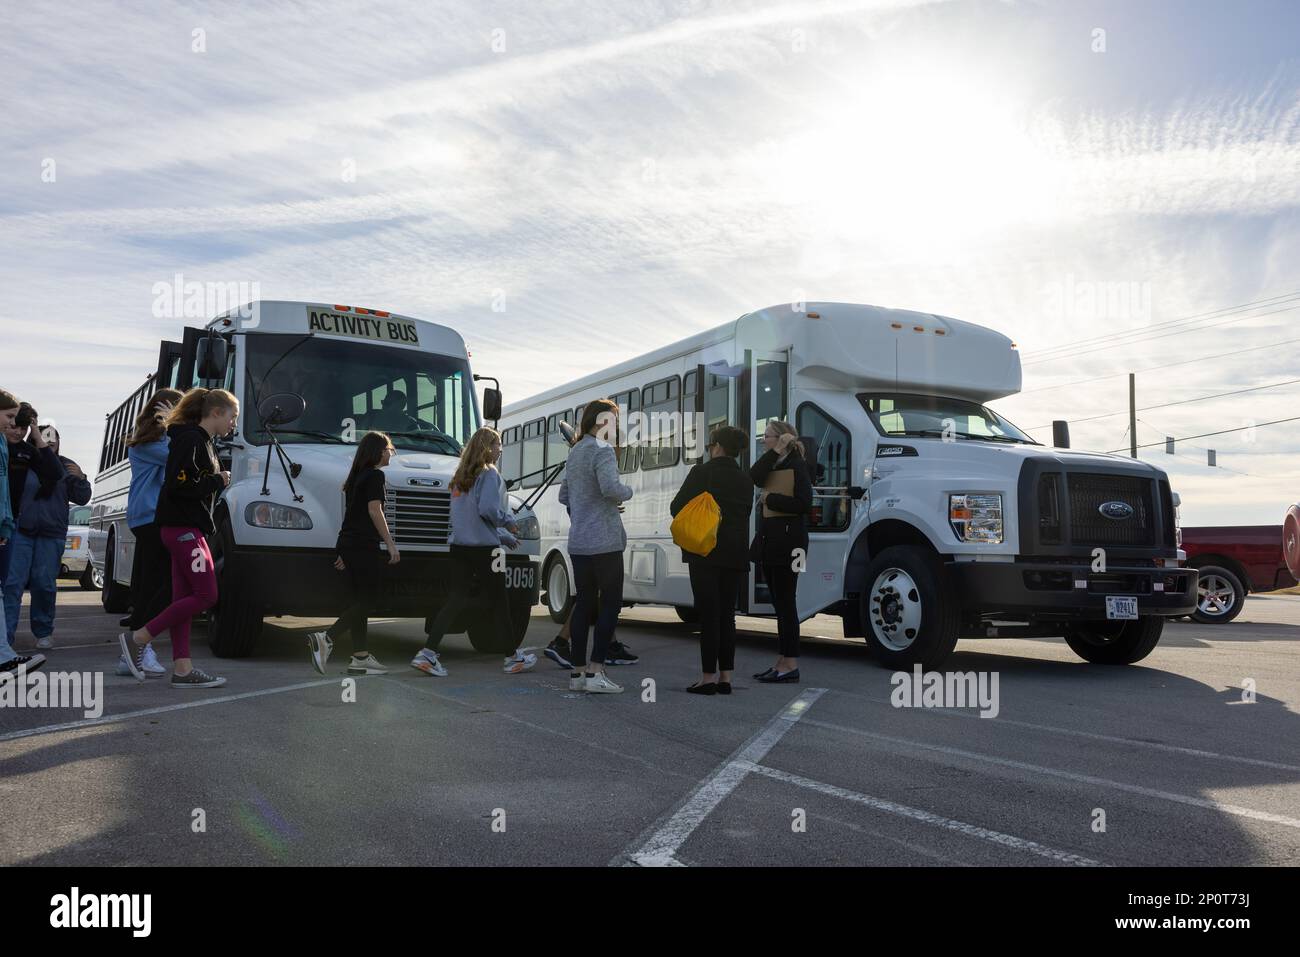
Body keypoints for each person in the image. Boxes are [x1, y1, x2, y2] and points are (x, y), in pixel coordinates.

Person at [118, 387, 237, 688]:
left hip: (183, 527)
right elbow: (180, 484)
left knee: (184, 598)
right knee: (207, 595)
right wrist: (217, 479)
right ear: (215, 413)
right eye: (233, 417)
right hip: (184, 529)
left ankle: (183, 669)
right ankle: (139, 638)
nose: (234, 424)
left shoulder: (197, 440)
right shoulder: (191, 439)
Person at [412, 427, 533, 676]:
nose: (501, 450)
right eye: (498, 445)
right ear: (488, 447)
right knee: (501, 602)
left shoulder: (460, 477)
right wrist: (507, 520)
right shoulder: (489, 474)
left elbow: (469, 519)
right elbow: (488, 510)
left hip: (459, 548)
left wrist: (503, 535)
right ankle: (513, 657)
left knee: (455, 600)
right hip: (487, 553)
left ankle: (428, 654)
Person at [307, 431, 399, 676]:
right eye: (390, 449)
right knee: (370, 600)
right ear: (380, 452)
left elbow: (350, 515)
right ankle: (326, 637)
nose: (392, 453)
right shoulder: (376, 476)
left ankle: (360, 657)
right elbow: (374, 510)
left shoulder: (357, 476)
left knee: (359, 601)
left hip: (349, 545)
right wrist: (390, 543)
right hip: (363, 547)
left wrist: (340, 549)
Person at [670, 425, 753, 695]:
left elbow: (676, 507)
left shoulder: (702, 473)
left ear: (716, 445)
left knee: (709, 616)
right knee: (727, 616)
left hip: (705, 553)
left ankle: (707, 678)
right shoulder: (745, 479)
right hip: (736, 553)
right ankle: (725, 677)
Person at [558, 399, 633, 694]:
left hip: (579, 542)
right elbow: (611, 489)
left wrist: (585, 504)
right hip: (604, 540)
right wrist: (627, 492)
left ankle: (577, 673)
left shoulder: (576, 451)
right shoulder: (602, 450)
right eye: (613, 420)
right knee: (611, 604)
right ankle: (596, 670)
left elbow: (565, 496)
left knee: (584, 603)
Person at [115, 388, 184, 677]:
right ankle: (139, 647)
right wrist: (175, 426)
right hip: (152, 517)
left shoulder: (148, 440)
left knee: (148, 585)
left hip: (146, 517)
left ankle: (134, 651)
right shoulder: (154, 443)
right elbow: (178, 457)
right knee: (160, 586)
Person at [4, 425, 92, 651]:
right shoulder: (23, 461)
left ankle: (43, 632)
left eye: (54, 437)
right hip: (20, 531)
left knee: (44, 583)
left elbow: (82, 498)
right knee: (12, 584)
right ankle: (6, 636)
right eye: (44, 436)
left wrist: (80, 477)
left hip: (51, 534)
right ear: (34, 438)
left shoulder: (65, 466)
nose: (50, 441)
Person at [749, 420, 813, 683]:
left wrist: (770, 499)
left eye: (768, 436)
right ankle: (783, 660)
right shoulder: (776, 463)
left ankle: (790, 663)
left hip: (790, 544)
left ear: (783, 438)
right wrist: (775, 453)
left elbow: (803, 503)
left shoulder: (798, 465)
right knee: (780, 603)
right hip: (772, 541)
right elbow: (754, 476)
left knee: (787, 604)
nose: (764, 440)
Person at [0, 390, 45, 675]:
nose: (12, 423)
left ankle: (4, 655)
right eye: (8, 417)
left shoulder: (2, 445)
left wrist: (5, 524)